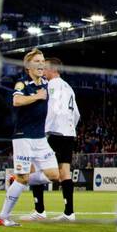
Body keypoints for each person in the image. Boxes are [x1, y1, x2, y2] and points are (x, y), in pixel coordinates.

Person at [0, 49, 58, 226]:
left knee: (54, 175)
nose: (41, 64)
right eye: (37, 61)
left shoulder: (47, 83)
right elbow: (16, 101)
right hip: (23, 137)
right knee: (24, 178)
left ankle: (17, 180)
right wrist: (36, 96)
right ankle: (3, 217)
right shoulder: (22, 84)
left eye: (42, 61)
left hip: (40, 138)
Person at [43, 57, 80, 221]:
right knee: (65, 173)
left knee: (34, 167)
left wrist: (44, 131)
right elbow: (77, 114)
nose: (42, 72)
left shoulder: (52, 85)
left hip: (55, 132)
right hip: (69, 132)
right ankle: (69, 213)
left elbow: (53, 109)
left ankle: (38, 210)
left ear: (52, 69)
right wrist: (70, 127)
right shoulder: (69, 87)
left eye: (44, 68)